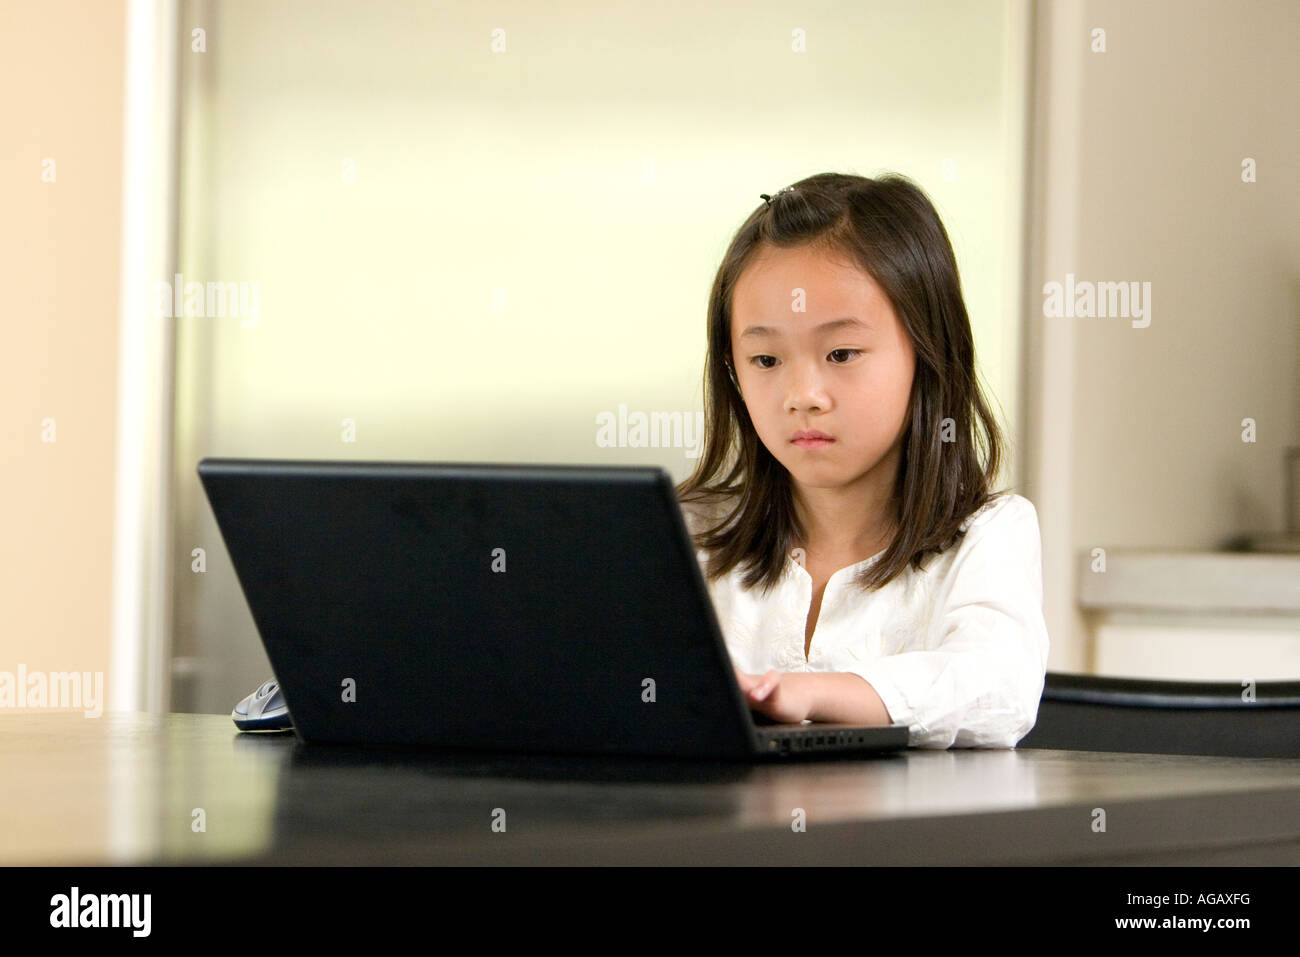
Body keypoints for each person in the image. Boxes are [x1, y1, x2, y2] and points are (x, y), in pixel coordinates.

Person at [676, 172, 1049, 749]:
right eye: (766, 359)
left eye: (841, 353)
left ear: (928, 354)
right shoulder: (690, 534)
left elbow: (997, 688)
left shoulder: (990, 535)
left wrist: (814, 692)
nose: (803, 394)